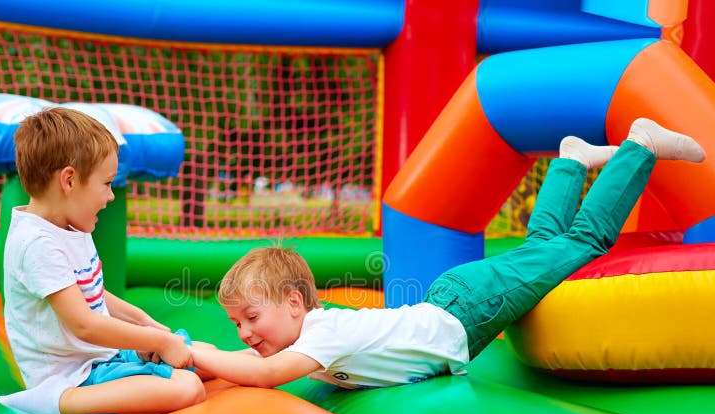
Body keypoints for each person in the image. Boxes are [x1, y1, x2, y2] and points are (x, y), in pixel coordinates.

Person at [189, 118, 706, 388]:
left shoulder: (321, 335)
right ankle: (570, 161)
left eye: (251, 318)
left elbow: (257, 375)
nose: (244, 334)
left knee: (582, 243)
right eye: (237, 323)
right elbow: (242, 360)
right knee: (545, 249)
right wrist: (184, 359)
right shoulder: (300, 339)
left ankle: (640, 144)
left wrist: (192, 353)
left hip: (468, 309)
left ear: (296, 303)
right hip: (455, 300)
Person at [0, 107, 204, 414]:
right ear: (69, 180)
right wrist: (155, 341)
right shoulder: (37, 243)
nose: (110, 196)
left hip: (97, 357)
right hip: (73, 377)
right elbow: (85, 325)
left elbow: (93, 293)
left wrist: (147, 325)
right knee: (187, 387)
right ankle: (50, 402)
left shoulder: (68, 224)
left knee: (193, 352)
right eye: (107, 184)